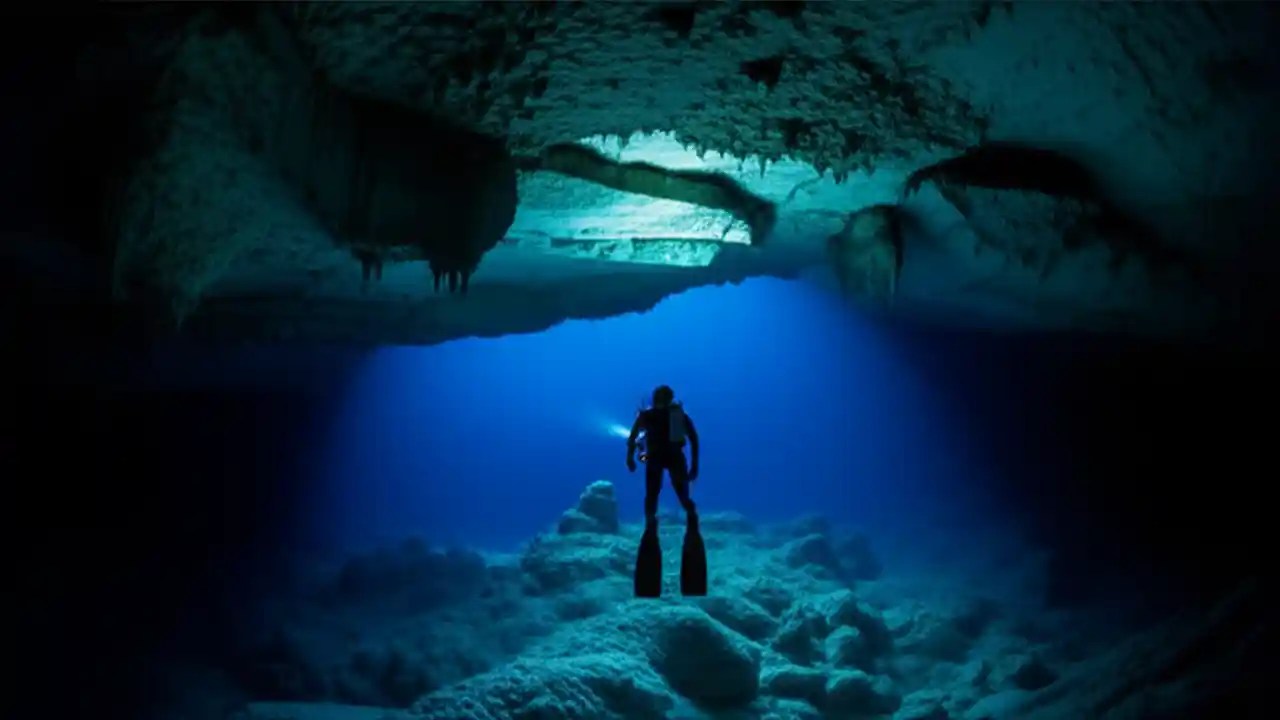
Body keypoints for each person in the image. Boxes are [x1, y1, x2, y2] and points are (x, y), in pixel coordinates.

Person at [627, 385, 699, 524]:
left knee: (653, 495)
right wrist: (694, 465)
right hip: (672, 456)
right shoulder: (678, 416)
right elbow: (693, 439)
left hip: (657, 457)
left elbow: (633, 437)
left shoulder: (647, 416)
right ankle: (691, 518)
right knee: (680, 495)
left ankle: (651, 525)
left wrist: (630, 457)